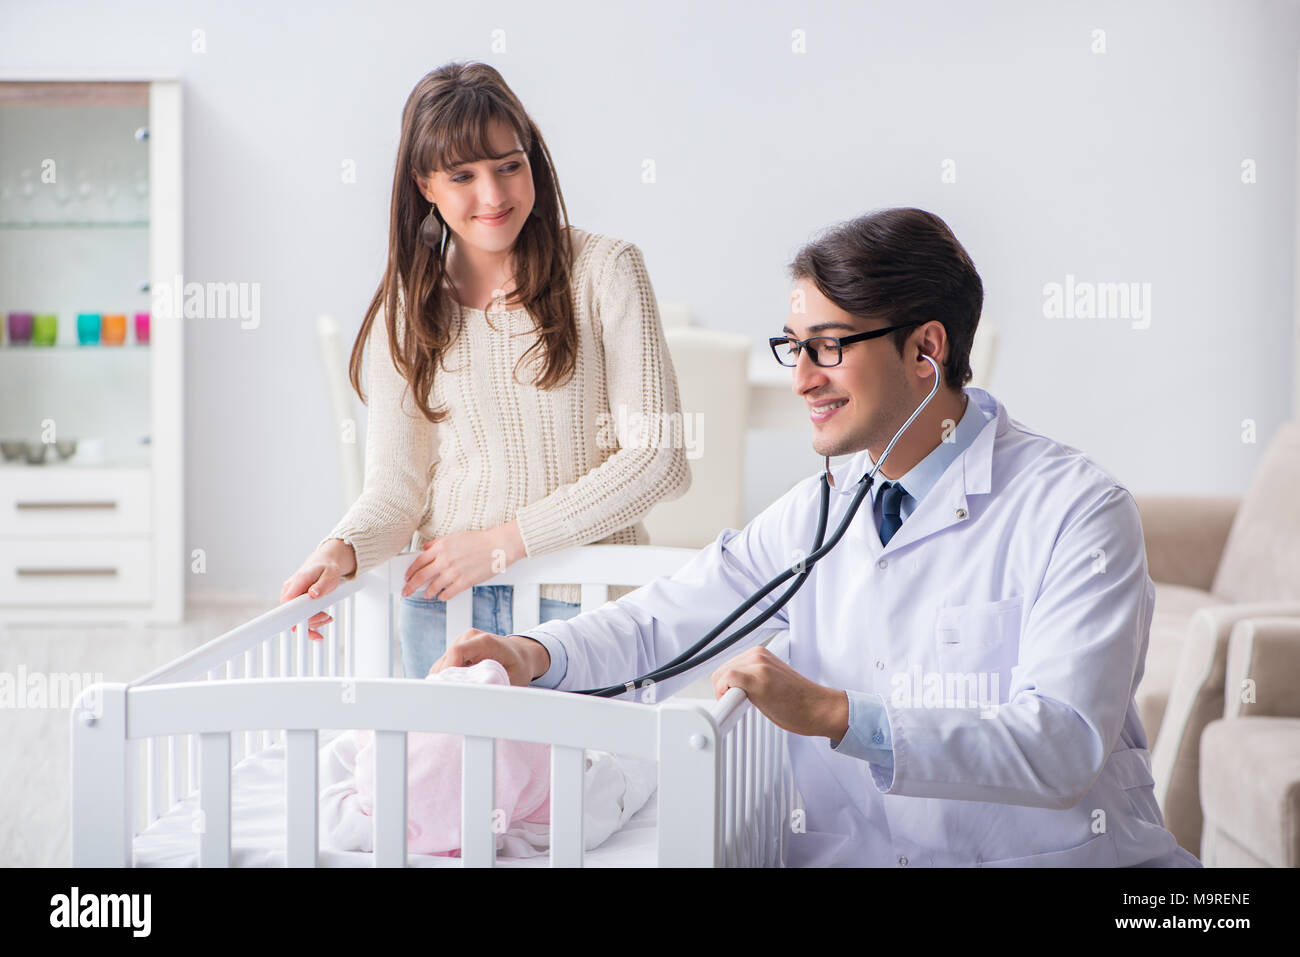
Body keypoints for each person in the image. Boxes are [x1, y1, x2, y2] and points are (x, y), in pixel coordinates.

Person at [433, 207, 1202, 867]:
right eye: (792, 346)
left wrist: (839, 715)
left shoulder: (1078, 510)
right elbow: (667, 619)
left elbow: (1060, 742)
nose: (801, 377)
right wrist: (534, 653)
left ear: (926, 352)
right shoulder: (821, 511)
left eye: (827, 346)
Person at [280, 61, 690, 679]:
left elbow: (660, 461)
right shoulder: (408, 306)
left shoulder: (605, 270)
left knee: (579, 778)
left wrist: (501, 545)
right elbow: (397, 489)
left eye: (509, 166)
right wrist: (340, 550)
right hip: (443, 602)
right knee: (443, 776)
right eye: (463, 176)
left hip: (580, 601)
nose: (494, 196)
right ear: (425, 185)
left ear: (533, 162)